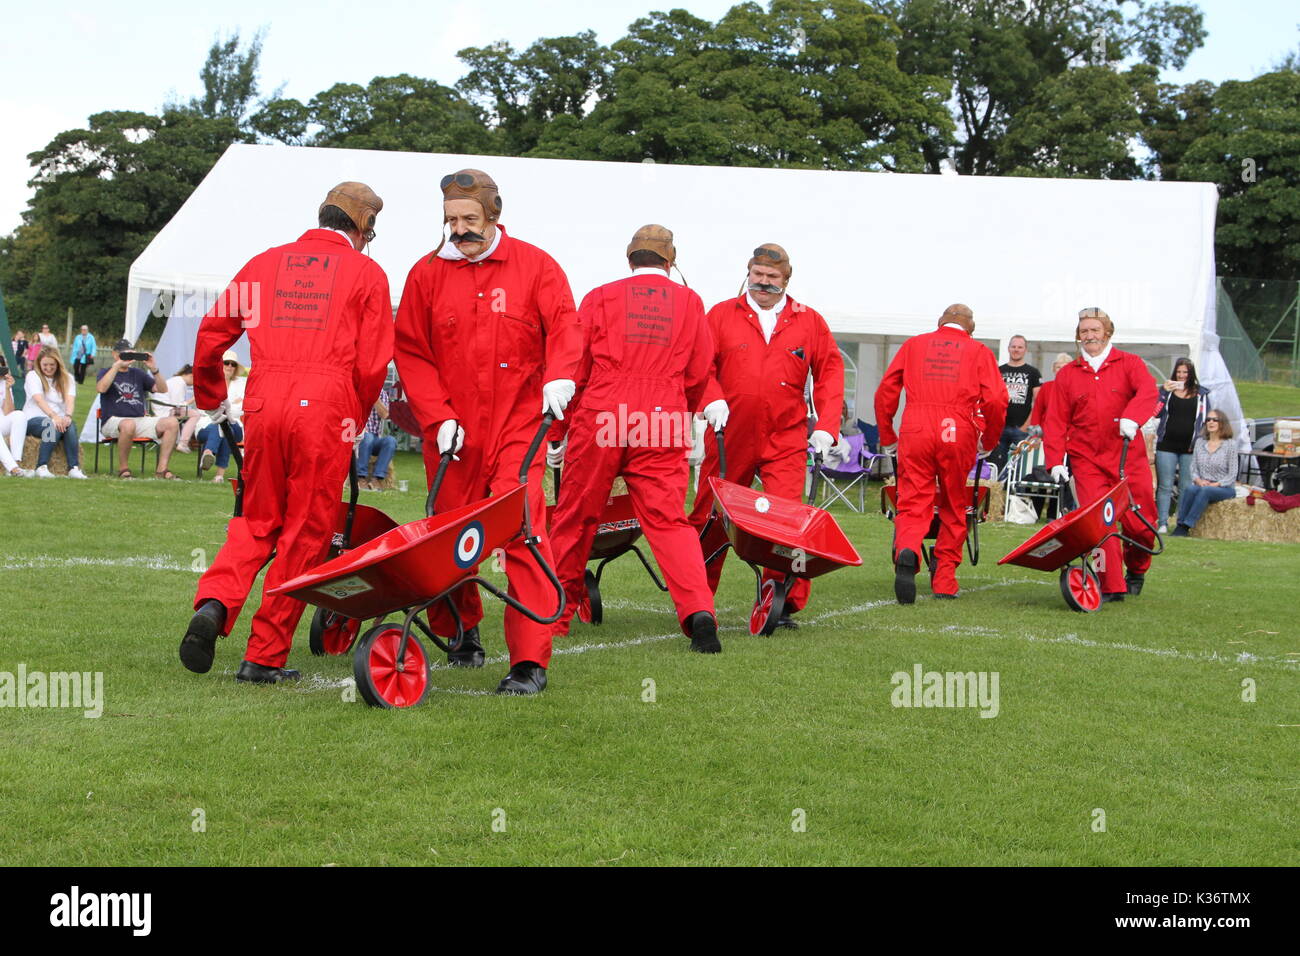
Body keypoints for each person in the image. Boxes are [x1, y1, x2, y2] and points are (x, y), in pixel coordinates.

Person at [180, 181, 393, 685]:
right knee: (305, 532)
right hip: (324, 408)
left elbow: (212, 332)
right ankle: (264, 656)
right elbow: (372, 363)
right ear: (362, 227)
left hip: (264, 401)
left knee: (256, 519)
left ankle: (214, 604)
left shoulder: (264, 263)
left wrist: (211, 398)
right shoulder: (367, 272)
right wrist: (353, 419)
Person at [395, 167, 582, 694]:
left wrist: (561, 375)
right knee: (449, 532)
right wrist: (438, 416)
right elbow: (411, 350)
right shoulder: (426, 274)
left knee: (521, 527)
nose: (459, 229)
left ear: (494, 214)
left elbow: (566, 326)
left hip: (520, 422)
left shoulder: (537, 267)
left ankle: (529, 661)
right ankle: (461, 633)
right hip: (453, 427)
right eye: (451, 220)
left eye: (469, 218)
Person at [547, 224, 721, 653]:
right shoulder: (690, 301)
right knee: (668, 520)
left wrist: (558, 431)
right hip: (662, 414)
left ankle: (555, 615)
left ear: (630, 258)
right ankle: (699, 611)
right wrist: (705, 402)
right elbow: (699, 371)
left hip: (605, 410)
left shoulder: (600, 296)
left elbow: (576, 366)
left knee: (576, 516)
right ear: (670, 259)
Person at [688, 242, 844, 629]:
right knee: (711, 515)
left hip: (785, 436)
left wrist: (826, 426)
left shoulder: (809, 321)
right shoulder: (721, 315)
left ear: (786, 279)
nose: (764, 283)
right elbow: (700, 366)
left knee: (787, 518)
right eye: (758, 275)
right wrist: (711, 399)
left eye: (773, 277)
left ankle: (783, 598)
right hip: (728, 432)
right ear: (748, 273)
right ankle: (696, 598)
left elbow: (830, 373)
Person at [874, 304, 1007, 602]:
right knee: (954, 503)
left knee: (912, 500)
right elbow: (997, 399)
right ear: (970, 328)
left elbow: (886, 390)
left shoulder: (914, 345)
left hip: (916, 426)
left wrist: (888, 436)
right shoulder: (979, 351)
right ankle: (945, 579)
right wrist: (990, 439)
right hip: (957, 429)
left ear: (940, 323)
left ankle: (907, 550)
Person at [1044, 308, 1160, 601]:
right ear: (1078, 336)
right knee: (1099, 523)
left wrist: (1133, 417)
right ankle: (1111, 585)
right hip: (1086, 460)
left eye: (1095, 330)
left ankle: (1137, 567)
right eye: (1084, 331)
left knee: (1141, 525)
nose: (1089, 336)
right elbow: (1056, 419)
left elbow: (1148, 392)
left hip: (1126, 457)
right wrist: (1055, 460)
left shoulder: (1130, 363)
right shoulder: (1068, 375)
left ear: (1107, 332)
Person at [95, 339, 180, 479]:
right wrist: (116, 367)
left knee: (172, 423)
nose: (129, 358)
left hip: (139, 420)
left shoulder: (138, 373)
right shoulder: (106, 372)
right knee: (128, 424)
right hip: (113, 421)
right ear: (115, 355)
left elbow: (163, 389)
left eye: (131, 354)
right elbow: (101, 388)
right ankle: (123, 469)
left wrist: (154, 369)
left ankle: (162, 470)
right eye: (125, 354)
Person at [1148, 357, 1209, 534]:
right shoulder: (1166, 392)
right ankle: (1162, 522)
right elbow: (1155, 413)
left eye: (1185, 373)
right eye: (1179, 372)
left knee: (1185, 486)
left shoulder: (1201, 394)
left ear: (1191, 375)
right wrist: (1164, 392)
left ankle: (1180, 522)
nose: (1181, 376)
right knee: (1165, 486)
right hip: (1167, 445)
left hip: (1189, 447)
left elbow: (1205, 420)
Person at [23, 346, 88, 478]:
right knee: (52, 425)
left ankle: (73, 468)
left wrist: (68, 416)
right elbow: (39, 400)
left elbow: (70, 400)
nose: (48, 368)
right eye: (45, 365)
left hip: (58, 417)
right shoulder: (33, 376)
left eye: (52, 364)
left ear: (58, 363)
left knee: (70, 425)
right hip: (34, 418)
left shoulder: (67, 378)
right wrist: (54, 417)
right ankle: (41, 466)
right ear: (39, 363)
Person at [1171, 410, 1237, 536]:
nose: (1211, 422)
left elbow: (1232, 475)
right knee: (1190, 489)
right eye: (1208, 419)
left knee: (1205, 491)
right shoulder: (1200, 443)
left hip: (1223, 487)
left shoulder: (1230, 445)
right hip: (1203, 483)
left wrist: (1215, 484)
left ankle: (1186, 525)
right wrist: (1198, 480)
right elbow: (1193, 468)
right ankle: (1179, 524)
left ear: (1222, 423)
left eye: (1215, 420)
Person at [990, 334, 1041, 471]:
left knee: (1017, 468)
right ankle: (998, 491)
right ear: (1008, 348)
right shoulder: (999, 371)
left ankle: (1011, 491)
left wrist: (1026, 425)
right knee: (998, 465)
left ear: (1025, 350)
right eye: (1013, 346)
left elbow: (1038, 402)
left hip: (1021, 429)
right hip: (999, 428)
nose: (1016, 349)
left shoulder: (1033, 373)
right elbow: (991, 398)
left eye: (1020, 347)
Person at [194, 351, 246, 483]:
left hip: (234, 426)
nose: (229, 366)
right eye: (226, 363)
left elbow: (242, 408)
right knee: (222, 428)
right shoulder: (208, 383)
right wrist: (231, 406)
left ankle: (209, 452)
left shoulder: (241, 384)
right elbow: (203, 408)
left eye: (232, 364)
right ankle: (219, 476)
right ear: (219, 365)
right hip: (207, 425)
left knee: (223, 426)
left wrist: (222, 408)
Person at [154, 364, 203, 452]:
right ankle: (183, 443)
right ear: (191, 376)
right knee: (195, 415)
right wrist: (193, 399)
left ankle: (179, 442)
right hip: (166, 411)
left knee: (193, 413)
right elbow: (178, 405)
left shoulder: (176, 381)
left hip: (164, 409)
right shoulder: (179, 383)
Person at [356, 387, 397, 491]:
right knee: (367, 437)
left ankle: (376, 479)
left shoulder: (382, 393)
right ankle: (361, 478)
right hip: (358, 436)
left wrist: (374, 397)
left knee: (390, 441)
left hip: (375, 437)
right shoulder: (356, 390)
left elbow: (385, 414)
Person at [1, 362, 32, 476]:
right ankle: (13, 468)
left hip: (1, 421)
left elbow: (9, 412)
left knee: (19, 415)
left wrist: (8, 389)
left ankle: (16, 461)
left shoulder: (3, 384)